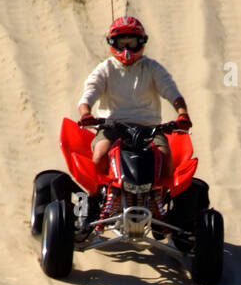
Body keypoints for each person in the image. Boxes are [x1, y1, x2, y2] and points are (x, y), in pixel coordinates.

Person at [77, 16, 191, 182]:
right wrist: (86, 114)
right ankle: (95, 200)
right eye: (122, 43)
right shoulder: (105, 69)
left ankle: (163, 201)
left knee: (166, 159)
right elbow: (88, 95)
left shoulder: (152, 68)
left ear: (141, 42)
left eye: (132, 43)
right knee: (100, 156)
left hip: (150, 129)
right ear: (112, 43)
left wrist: (182, 114)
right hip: (112, 127)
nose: (127, 49)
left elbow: (171, 91)